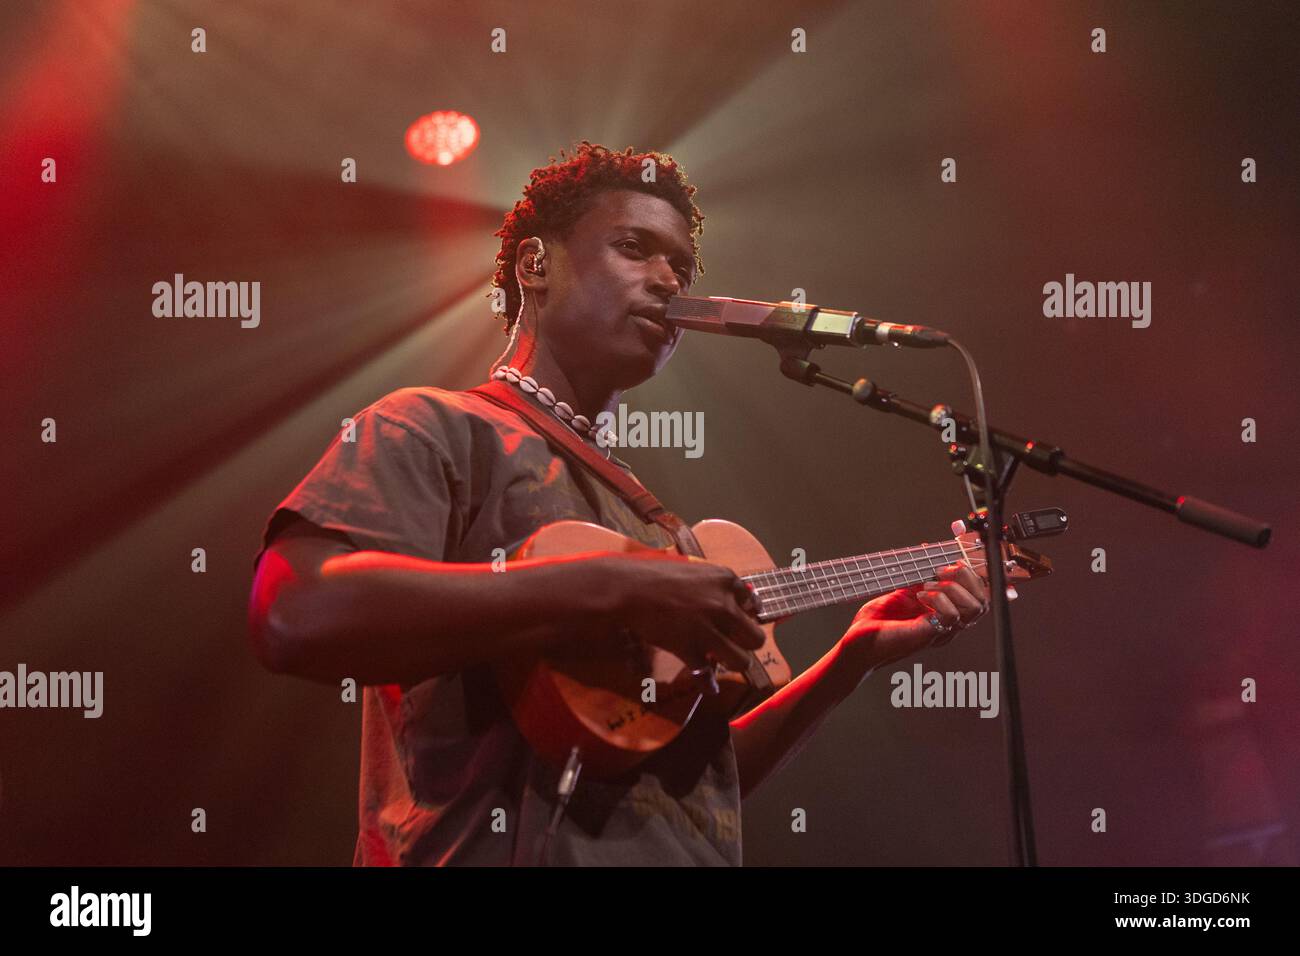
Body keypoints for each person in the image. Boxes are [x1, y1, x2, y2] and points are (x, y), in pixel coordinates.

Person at [247, 141, 989, 866]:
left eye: (683, 266)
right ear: (536, 264)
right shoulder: (434, 427)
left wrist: (850, 660)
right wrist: (608, 587)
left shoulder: (648, 523)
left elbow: (690, 787)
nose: (669, 280)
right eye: (636, 248)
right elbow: (292, 611)